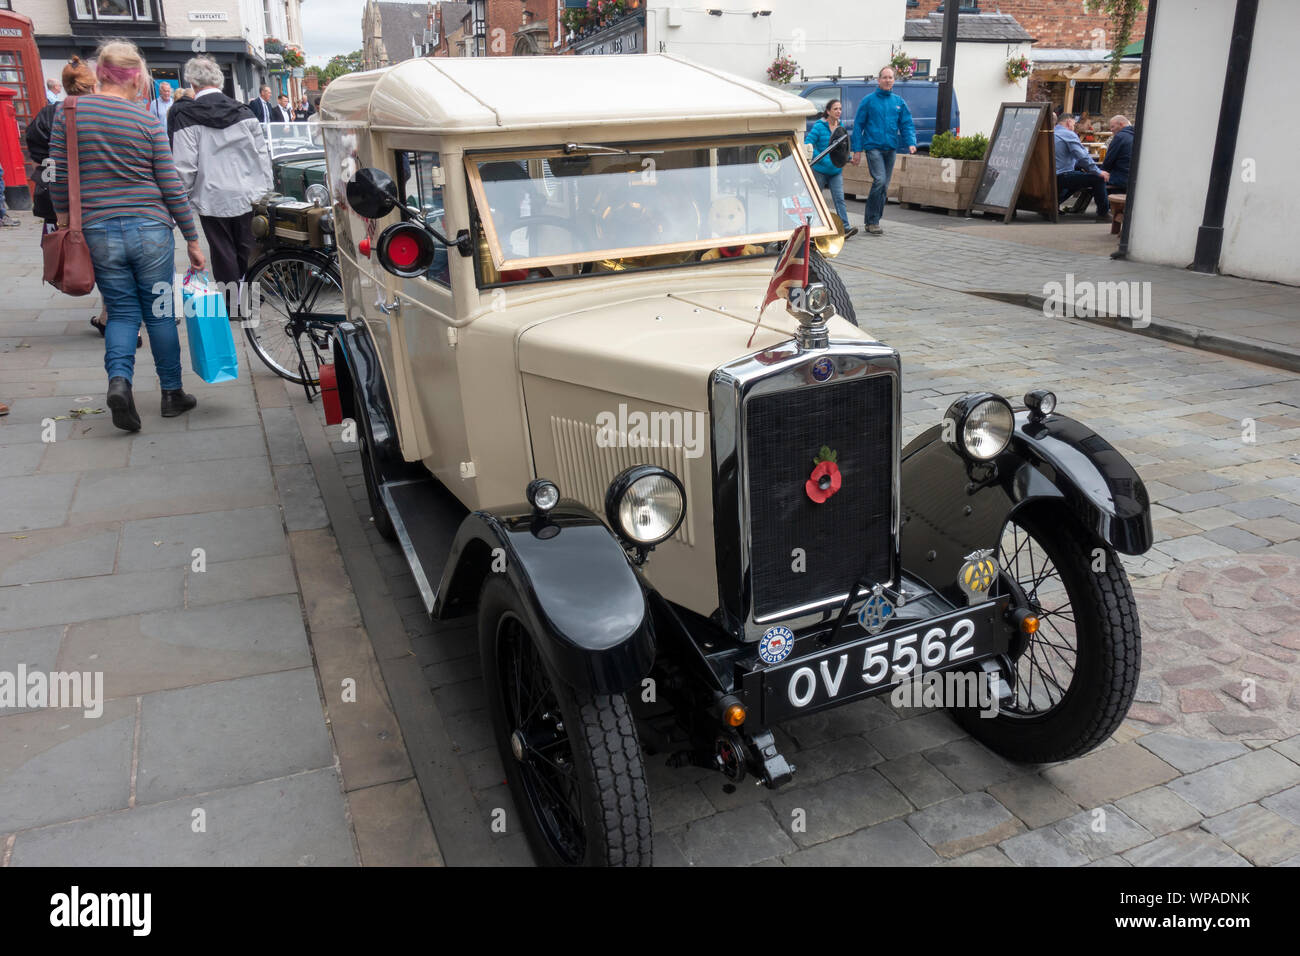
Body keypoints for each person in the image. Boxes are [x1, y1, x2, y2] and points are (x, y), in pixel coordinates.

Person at [50, 39, 206, 433]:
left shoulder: (68, 112)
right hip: (151, 228)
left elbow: (55, 173)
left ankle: (120, 382)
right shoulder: (147, 120)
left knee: (121, 311)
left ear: (100, 72)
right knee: (159, 312)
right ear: (136, 77)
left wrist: (65, 220)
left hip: (98, 229)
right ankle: (172, 394)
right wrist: (191, 237)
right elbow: (170, 184)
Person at [168, 55, 273, 320]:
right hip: (247, 192)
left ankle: (234, 304)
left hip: (212, 193)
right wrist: (266, 188)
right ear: (219, 79)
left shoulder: (186, 115)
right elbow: (262, 154)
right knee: (247, 246)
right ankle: (250, 296)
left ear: (191, 81)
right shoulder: (244, 111)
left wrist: (181, 197)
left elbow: (185, 165)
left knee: (222, 249)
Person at [849, 66, 917, 235]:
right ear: (878, 80)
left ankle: (875, 220)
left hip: (890, 149)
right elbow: (858, 125)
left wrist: (911, 142)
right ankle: (871, 221)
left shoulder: (898, 102)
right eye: (885, 77)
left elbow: (906, 124)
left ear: (894, 81)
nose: (888, 80)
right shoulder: (868, 101)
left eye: (891, 77)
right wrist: (857, 150)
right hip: (873, 147)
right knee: (879, 180)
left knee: (884, 187)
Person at [804, 99, 857, 239]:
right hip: (820, 170)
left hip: (835, 171)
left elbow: (842, 149)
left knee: (839, 199)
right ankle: (810, 228)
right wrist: (821, 157)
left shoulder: (841, 127)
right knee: (816, 199)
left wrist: (848, 158)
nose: (839, 111)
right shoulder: (819, 126)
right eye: (835, 109)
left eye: (840, 109)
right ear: (828, 111)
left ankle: (845, 228)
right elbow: (808, 144)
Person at [1054, 114, 1110, 221]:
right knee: (1098, 179)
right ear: (1069, 122)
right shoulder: (1068, 134)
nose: (1074, 127)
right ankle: (1103, 214)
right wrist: (1097, 171)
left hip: (1049, 175)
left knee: (1078, 175)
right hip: (1061, 176)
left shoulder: (1052, 132)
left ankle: (1052, 205)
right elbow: (1082, 157)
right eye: (1074, 124)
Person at [1101, 114, 1135, 193]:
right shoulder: (1136, 135)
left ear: (1121, 124)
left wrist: (1100, 172)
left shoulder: (1120, 137)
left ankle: (1104, 205)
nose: (1111, 130)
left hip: (1119, 178)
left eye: (1113, 127)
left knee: (1093, 181)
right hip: (1132, 178)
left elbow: (1108, 161)